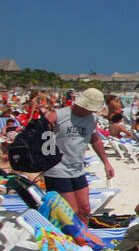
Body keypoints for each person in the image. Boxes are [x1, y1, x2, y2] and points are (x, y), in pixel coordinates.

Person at [43, 88, 114, 223]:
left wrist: (106, 163)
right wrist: (46, 157)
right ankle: (69, 240)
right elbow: (40, 135)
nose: (92, 111)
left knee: (85, 209)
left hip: (77, 169)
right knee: (71, 211)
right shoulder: (58, 115)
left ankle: (82, 239)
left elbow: (96, 141)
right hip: (57, 170)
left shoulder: (91, 118)